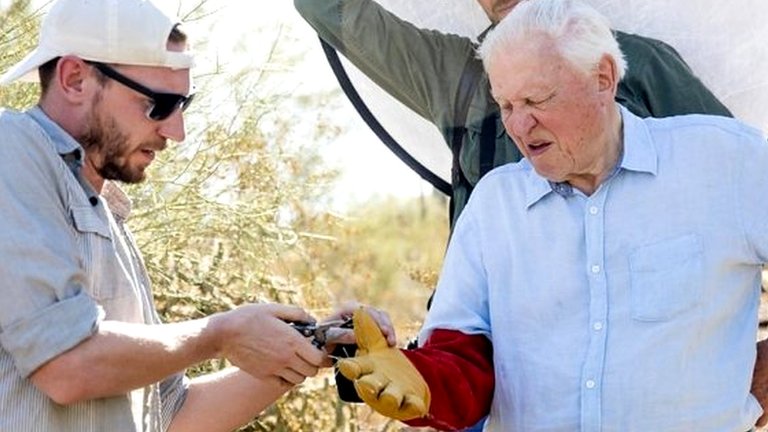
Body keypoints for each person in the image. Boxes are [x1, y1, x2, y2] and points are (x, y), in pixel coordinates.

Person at [335, 0, 768, 430]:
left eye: (536, 99)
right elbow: (463, 355)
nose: (518, 127)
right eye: (505, 105)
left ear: (603, 78)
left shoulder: (726, 160)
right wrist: (423, 381)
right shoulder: (494, 205)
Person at [0, 0, 369, 430]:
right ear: (75, 78)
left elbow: (172, 417)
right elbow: (66, 366)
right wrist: (221, 334)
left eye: (183, 105)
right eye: (158, 104)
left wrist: (306, 347)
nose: (176, 132)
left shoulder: (107, 215)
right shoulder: (11, 149)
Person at [294, 0, 731, 228]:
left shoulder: (638, 64)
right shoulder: (455, 75)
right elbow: (322, 6)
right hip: (499, 366)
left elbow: (742, 183)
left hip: (636, 356)